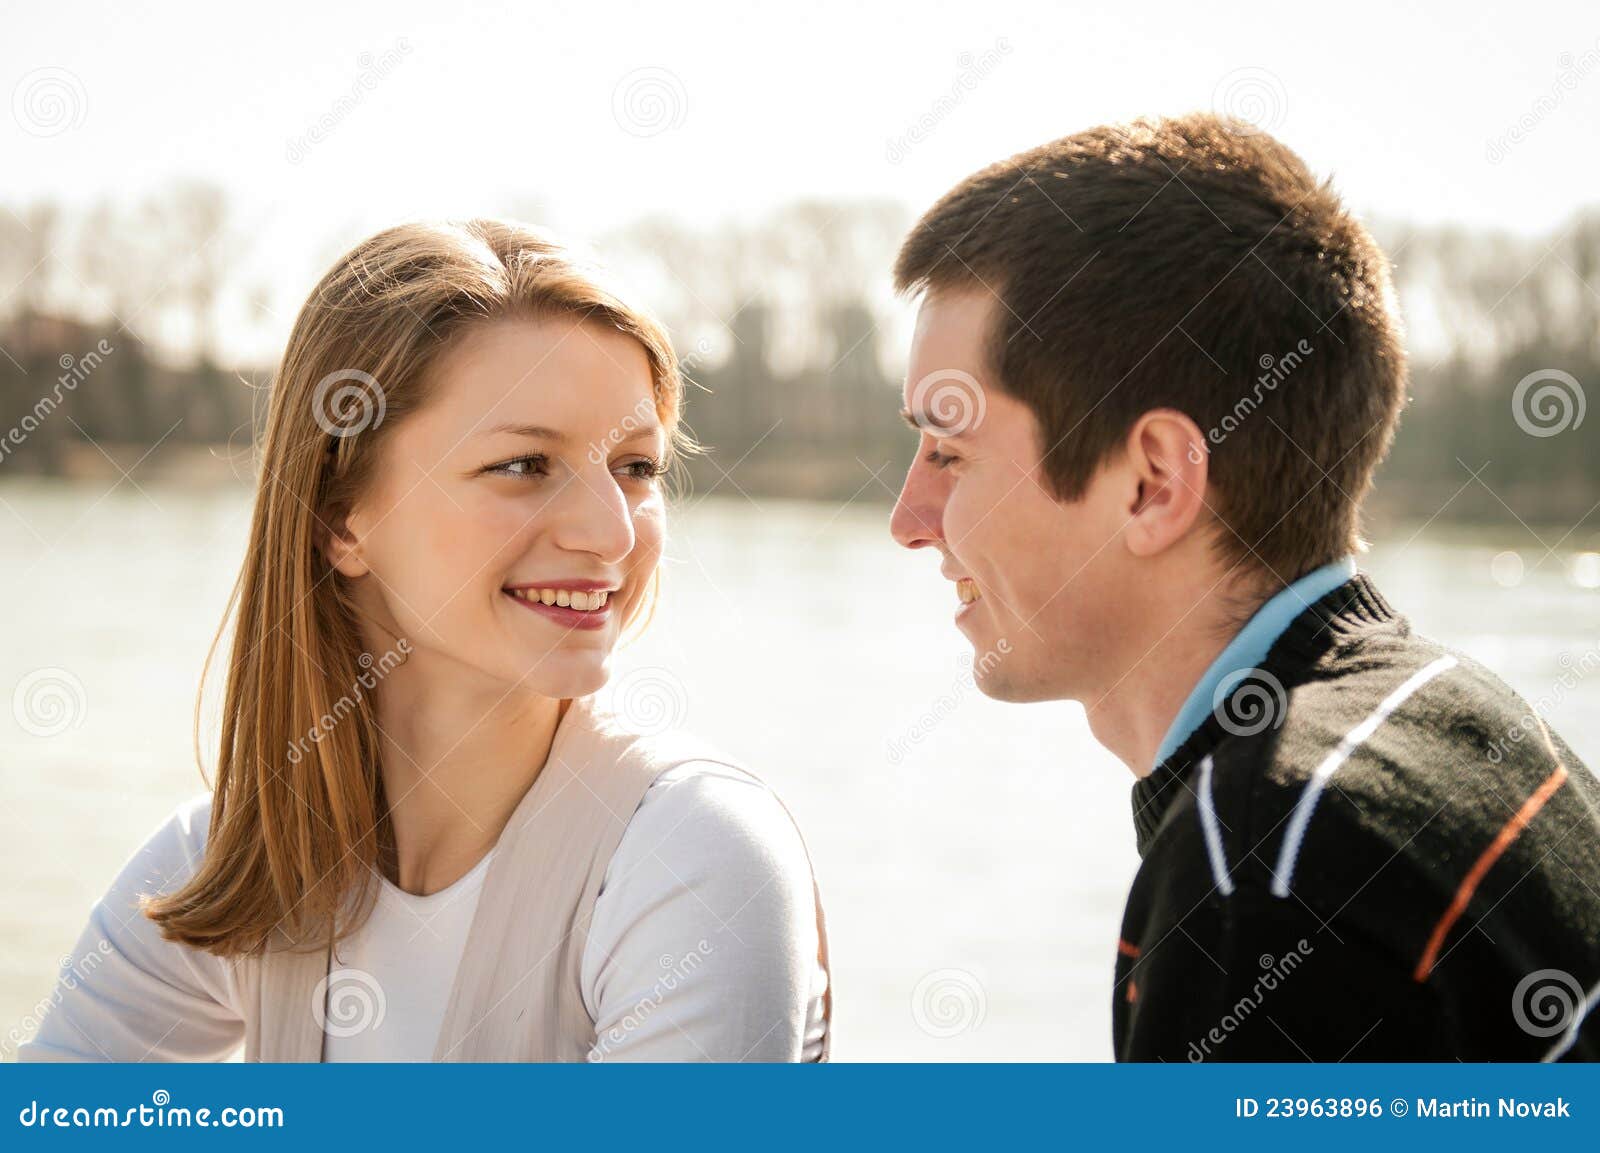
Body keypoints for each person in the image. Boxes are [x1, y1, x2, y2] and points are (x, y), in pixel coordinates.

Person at [20, 220, 829, 1063]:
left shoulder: (693, 857)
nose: (612, 533)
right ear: (342, 517)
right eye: (525, 464)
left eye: (636, 467)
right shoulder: (233, 856)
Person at [888, 113, 1599, 1061]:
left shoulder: (1266, 867)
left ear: (1155, 483)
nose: (908, 517)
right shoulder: (1470, 719)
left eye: (947, 450)